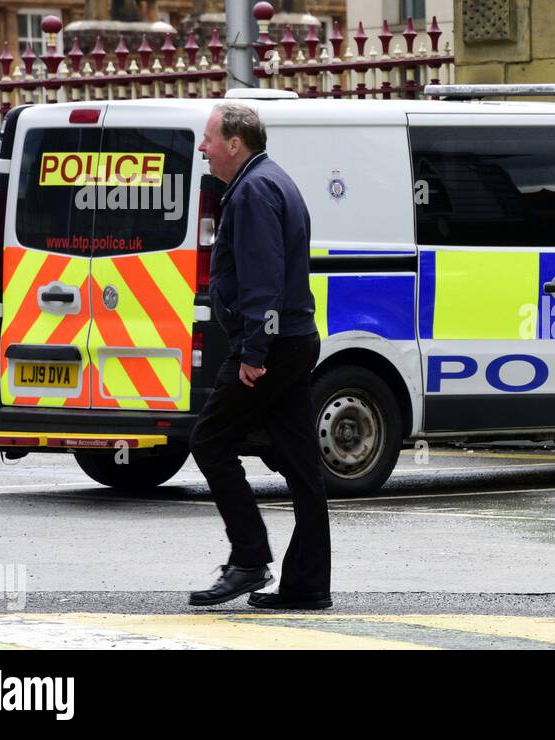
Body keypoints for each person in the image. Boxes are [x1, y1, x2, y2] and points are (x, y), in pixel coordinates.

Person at [188, 102, 331, 610]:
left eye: (208, 139)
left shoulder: (252, 191)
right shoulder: (271, 180)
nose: (202, 148)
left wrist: (253, 353)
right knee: (302, 468)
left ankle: (249, 558)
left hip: (270, 347)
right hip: (292, 341)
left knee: (209, 440)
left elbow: (264, 280)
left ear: (234, 143)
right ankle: (307, 585)